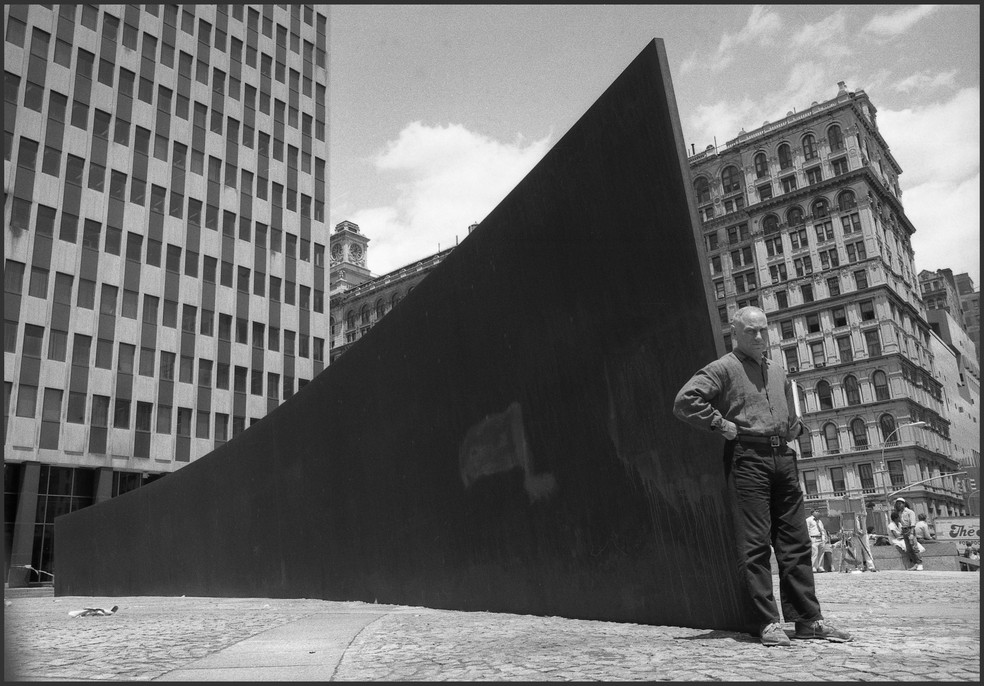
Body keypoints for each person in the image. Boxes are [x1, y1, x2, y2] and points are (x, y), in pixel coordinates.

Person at [673, 306, 852, 647]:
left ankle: (808, 621)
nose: (758, 336)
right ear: (735, 333)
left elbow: (789, 411)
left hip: (783, 456)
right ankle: (766, 622)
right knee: (755, 544)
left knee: (796, 542)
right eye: (750, 331)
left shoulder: (778, 370)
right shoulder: (723, 368)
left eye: (762, 330)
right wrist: (718, 423)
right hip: (748, 456)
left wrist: (794, 428)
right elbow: (685, 400)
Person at [893, 498, 924, 571]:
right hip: (904, 530)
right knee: (909, 549)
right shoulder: (900, 513)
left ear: (903, 504)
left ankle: (920, 563)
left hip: (910, 529)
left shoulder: (910, 512)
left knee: (914, 547)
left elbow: (913, 523)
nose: (899, 505)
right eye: (897, 504)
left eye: (900, 504)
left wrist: (912, 533)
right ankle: (915, 563)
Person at [805, 509, 828, 573]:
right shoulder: (808, 520)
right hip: (813, 538)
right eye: (816, 511)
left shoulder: (819, 521)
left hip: (820, 538)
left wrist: (823, 538)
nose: (818, 513)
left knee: (821, 553)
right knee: (814, 553)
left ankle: (820, 567)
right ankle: (813, 567)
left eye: (818, 511)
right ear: (812, 512)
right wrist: (809, 539)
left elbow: (822, 529)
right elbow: (807, 530)